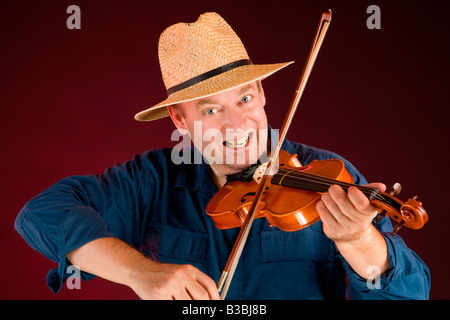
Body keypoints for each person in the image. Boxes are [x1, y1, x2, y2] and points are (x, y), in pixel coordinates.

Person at [15, 12, 430, 300]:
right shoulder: (153, 180)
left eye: (245, 98)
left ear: (263, 94)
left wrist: (360, 240)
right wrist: (140, 272)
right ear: (179, 117)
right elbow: (41, 214)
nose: (238, 124)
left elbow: (411, 294)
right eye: (212, 110)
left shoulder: (326, 173)